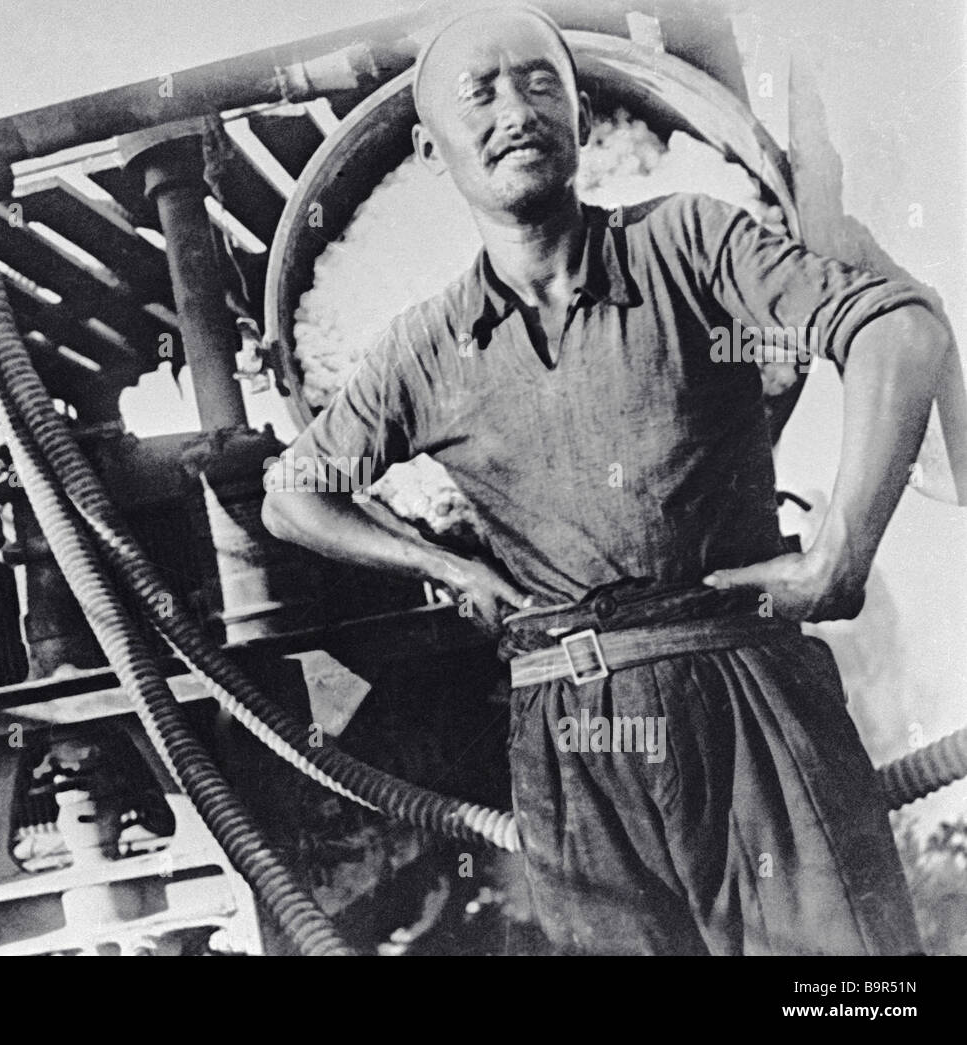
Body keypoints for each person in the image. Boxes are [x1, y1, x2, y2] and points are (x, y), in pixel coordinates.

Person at [261, 4, 954, 954]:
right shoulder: (423, 349)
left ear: (582, 118)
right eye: (482, 91)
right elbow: (292, 495)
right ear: (432, 149)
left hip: (747, 691)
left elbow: (899, 331)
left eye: (543, 83)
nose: (518, 109)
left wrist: (842, 552)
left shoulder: (687, 241)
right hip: (571, 737)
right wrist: (445, 565)